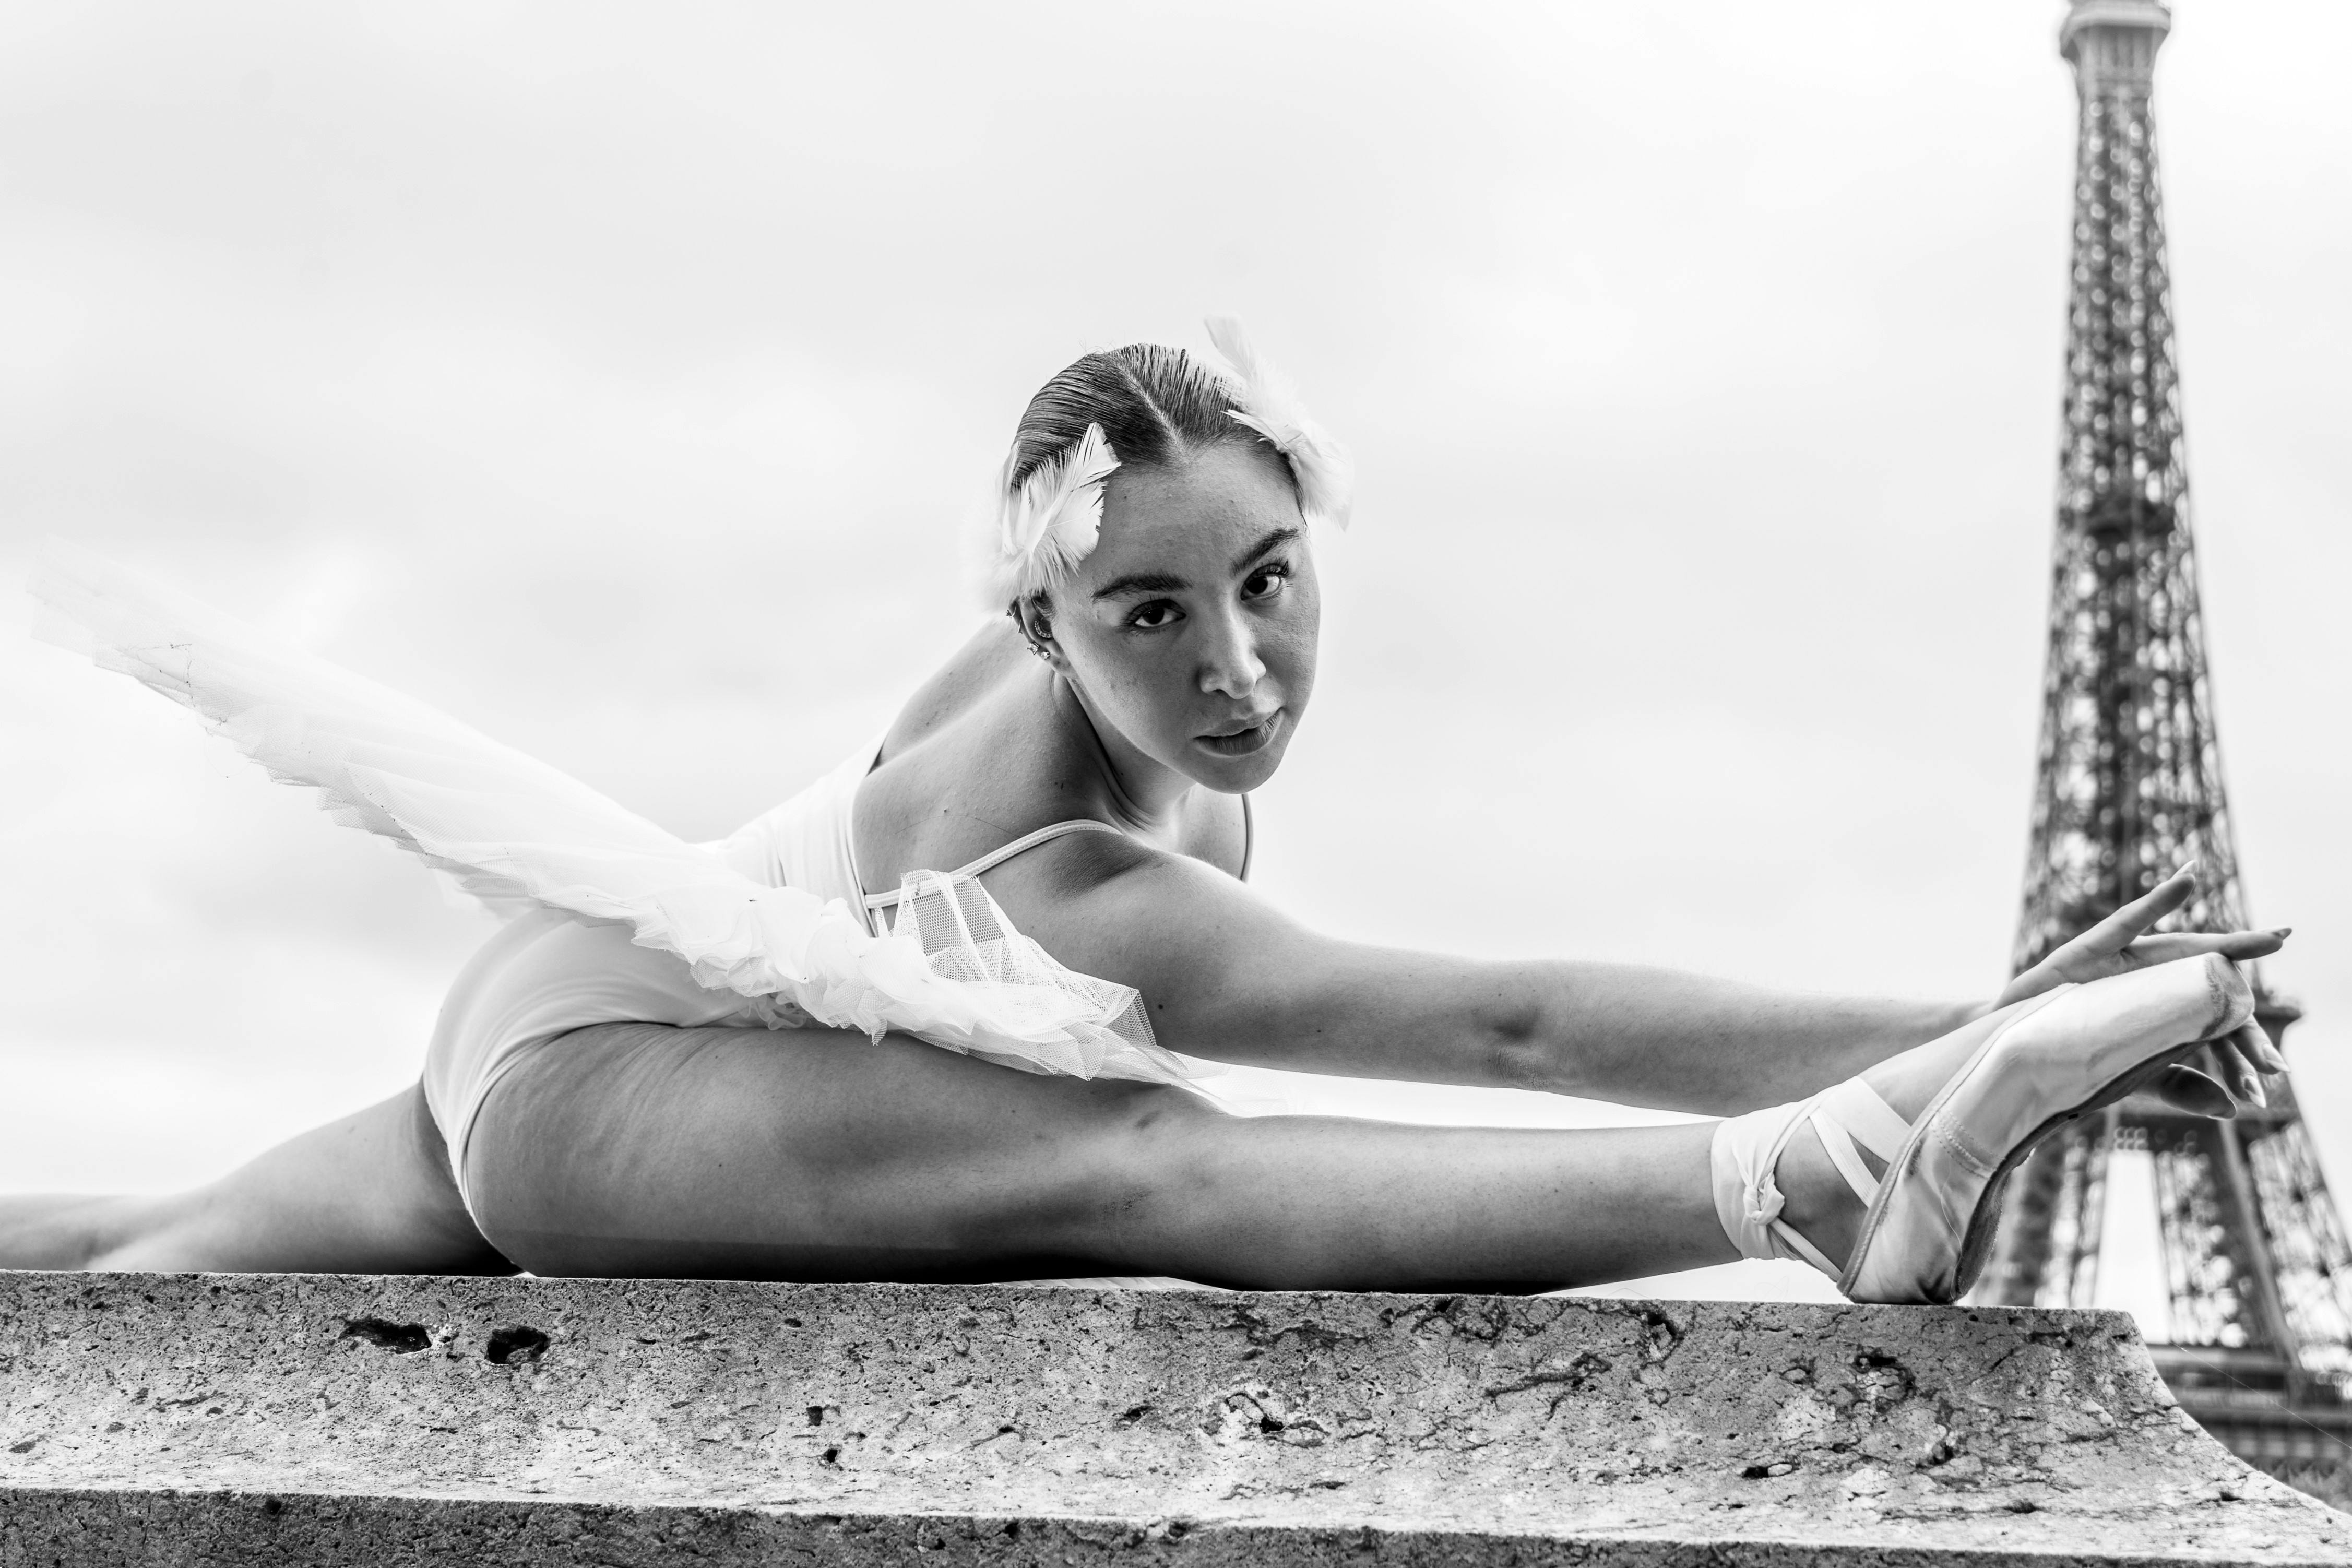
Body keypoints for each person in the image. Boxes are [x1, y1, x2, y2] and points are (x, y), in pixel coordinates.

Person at [0, 320, 2288, 1302]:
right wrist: (1958, 1026)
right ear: (1044, 620)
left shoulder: (1072, 684)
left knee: (145, 1260)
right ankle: (1799, 1180)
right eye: (1151, 617)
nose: (1234, 671)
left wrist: (1979, 1009)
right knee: (1153, 1166)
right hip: (600, 1078)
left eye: (1266, 583)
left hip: (564, 992)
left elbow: (1507, 1014)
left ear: (1313, 533)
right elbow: (1498, 1025)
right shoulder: (1080, 875)